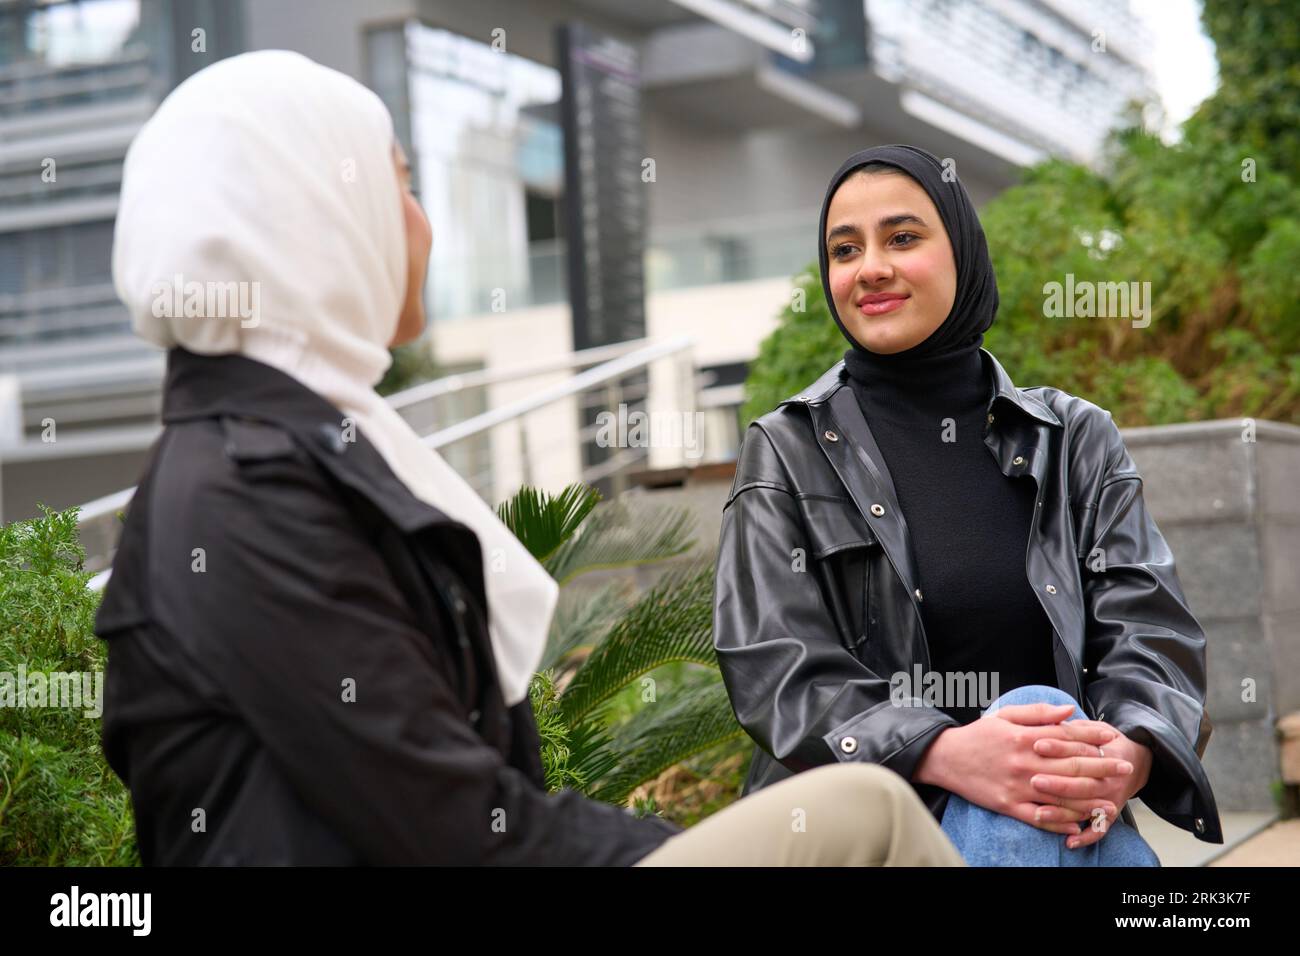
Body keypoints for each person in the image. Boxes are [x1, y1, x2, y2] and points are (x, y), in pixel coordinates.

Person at [95, 51, 964, 867]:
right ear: (310, 218)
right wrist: (658, 851)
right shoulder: (249, 491)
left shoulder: (282, 459)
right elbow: (448, 822)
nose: (422, 225)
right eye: (399, 187)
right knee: (867, 815)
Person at [713, 144, 1224, 866]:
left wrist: (1126, 755)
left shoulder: (1073, 438)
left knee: (1039, 752)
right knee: (1026, 760)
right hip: (874, 836)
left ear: (963, 253)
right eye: (844, 248)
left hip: (1063, 827)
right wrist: (947, 754)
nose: (871, 268)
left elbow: (1149, 631)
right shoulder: (787, 451)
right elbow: (777, 670)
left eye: (902, 238)